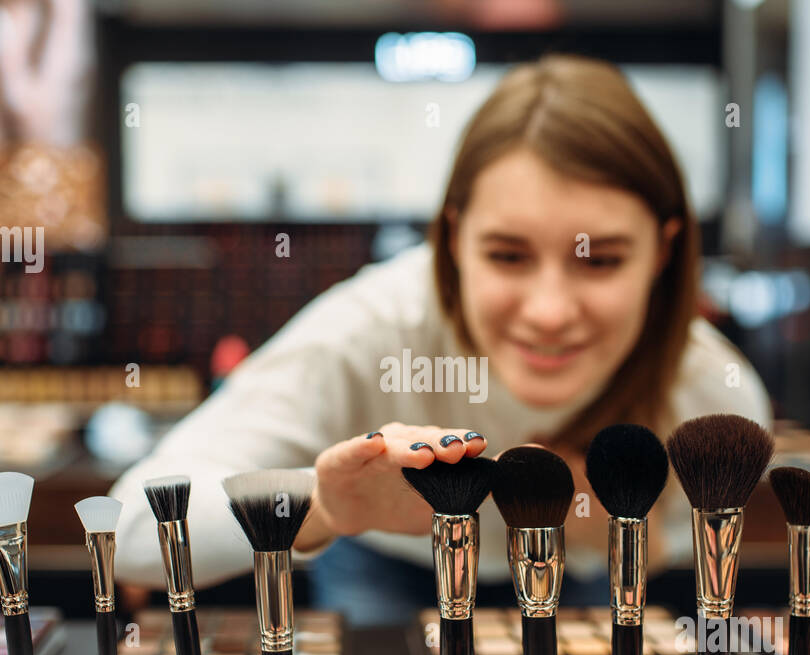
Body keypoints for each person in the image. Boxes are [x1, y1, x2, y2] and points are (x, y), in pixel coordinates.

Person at [110, 54, 771, 625]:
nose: (547, 311)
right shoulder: (370, 328)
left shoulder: (713, 390)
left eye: (599, 261)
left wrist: (628, 530)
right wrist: (323, 505)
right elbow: (133, 529)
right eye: (508, 256)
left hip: (586, 572)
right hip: (388, 570)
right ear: (452, 241)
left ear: (664, 248)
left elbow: (703, 531)